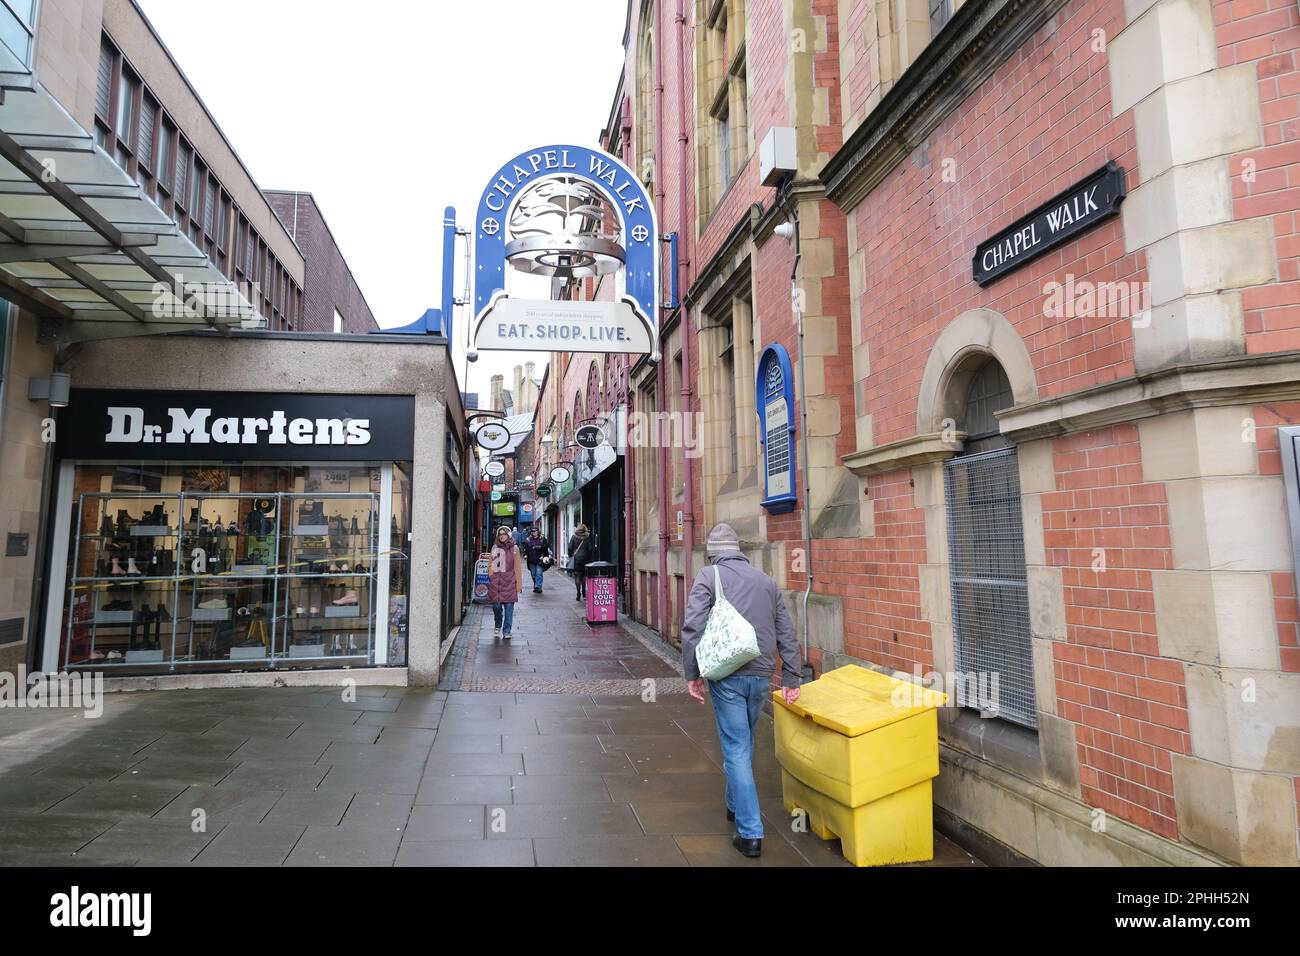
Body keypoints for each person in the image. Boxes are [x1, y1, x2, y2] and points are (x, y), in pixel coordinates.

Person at [680, 522, 801, 859]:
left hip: (727, 674)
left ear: (714, 554)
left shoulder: (708, 576)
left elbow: (692, 626)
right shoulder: (767, 581)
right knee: (743, 742)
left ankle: (749, 832)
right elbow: (786, 633)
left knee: (735, 747)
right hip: (761, 673)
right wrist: (791, 678)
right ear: (739, 551)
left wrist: (692, 673)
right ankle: (734, 805)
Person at [486, 524, 524, 640]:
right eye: (500, 534)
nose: (502, 536)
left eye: (504, 534)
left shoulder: (515, 549)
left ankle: (507, 631)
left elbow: (517, 568)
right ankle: (498, 623)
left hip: (509, 582)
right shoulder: (495, 547)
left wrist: (518, 586)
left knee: (509, 608)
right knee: (496, 607)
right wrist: (491, 575)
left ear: (509, 535)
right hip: (496, 583)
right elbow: (491, 564)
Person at [568, 523, 595, 601]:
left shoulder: (574, 537)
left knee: (577, 576)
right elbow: (590, 549)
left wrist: (571, 555)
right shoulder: (587, 537)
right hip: (585, 559)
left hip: (576, 559)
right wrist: (589, 557)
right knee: (583, 576)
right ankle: (584, 592)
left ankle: (578, 593)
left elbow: (570, 547)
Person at [522, 525, 551, 594]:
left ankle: (538, 587)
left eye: (534, 531)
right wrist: (525, 554)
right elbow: (525, 549)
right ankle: (536, 585)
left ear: (538, 532)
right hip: (531, 560)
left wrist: (540, 547)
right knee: (533, 574)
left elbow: (546, 546)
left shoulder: (542, 539)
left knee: (539, 573)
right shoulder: (528, 539)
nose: (533, 532)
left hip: (540, 559)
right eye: (532, 531)